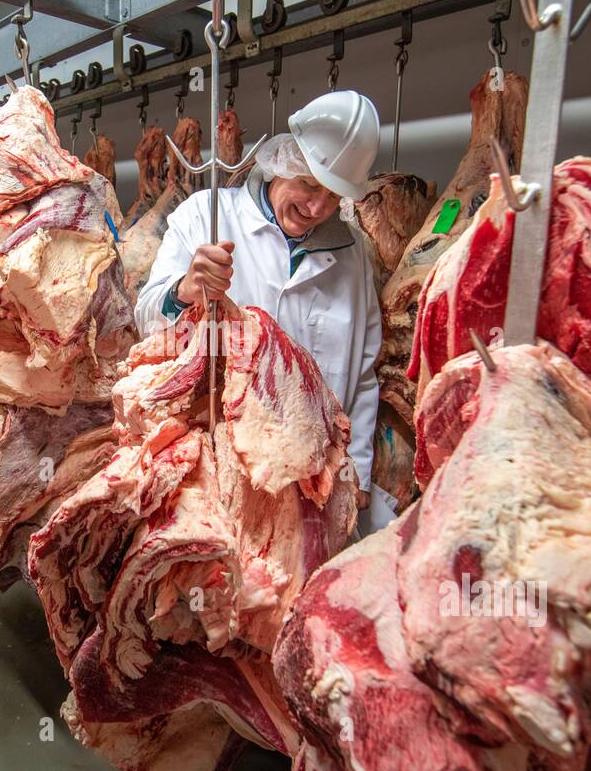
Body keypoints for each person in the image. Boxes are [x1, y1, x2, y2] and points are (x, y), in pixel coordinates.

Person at [134, 90, 397, 537]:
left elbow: (365, 376)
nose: (317, 208)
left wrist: (362, 475)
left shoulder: (353, 256)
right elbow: (147, 323)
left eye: (333, 196)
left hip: (316, 478)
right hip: (220, 468)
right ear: (281, 163)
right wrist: (186, 289)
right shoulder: (206, 216)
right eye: (310, 185)